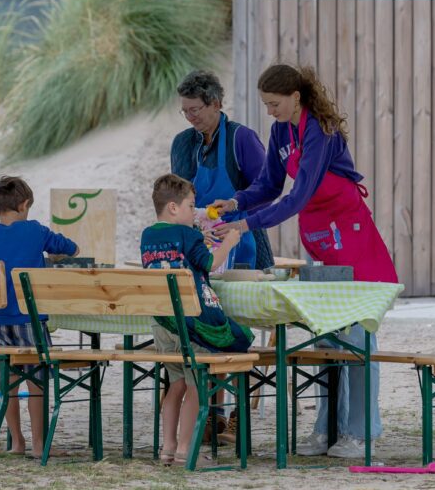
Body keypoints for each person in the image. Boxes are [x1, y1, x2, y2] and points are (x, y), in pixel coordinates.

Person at [212, 64, 399, 460]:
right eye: (265, 105)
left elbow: (296, 197)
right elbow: (267, 186)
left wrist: (243, 226)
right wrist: (234, 203)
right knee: (327, 333)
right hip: (319, 234)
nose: (270, 112)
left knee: (357, 336)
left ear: (296, 97)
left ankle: (359, 434)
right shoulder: (281, 130)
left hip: (349, 234)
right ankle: (326, 428)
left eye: (274, 104)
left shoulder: (321, 131)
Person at [140, 174, 251, 465]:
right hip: (191, 324)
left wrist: (196, 237)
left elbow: (176, 257)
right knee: (195, 385)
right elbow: (211, 264)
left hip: (162, 323)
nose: (195, 212)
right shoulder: (188, 235)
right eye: (191, 206)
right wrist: (228, 241)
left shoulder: (148, 235)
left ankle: (167, 447)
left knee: (175, 384)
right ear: (174, 208)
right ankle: (186, 450)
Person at [0, 175, 78, 458]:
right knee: (37, 382)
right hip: (29, 320)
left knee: (8, 380)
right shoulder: (36, 231)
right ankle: (40, 444)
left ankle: (17, 441)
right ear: (26, 203)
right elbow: (71, 248)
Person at [170, 70, 273, 272]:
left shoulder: (242, 138)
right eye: (185, 111)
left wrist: (234, 213)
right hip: (198, 243)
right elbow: (177, 197)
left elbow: (266, 191)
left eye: (195, 110)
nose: (190, 117)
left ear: (216, 104)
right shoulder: (181, 144)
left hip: (243, 240)